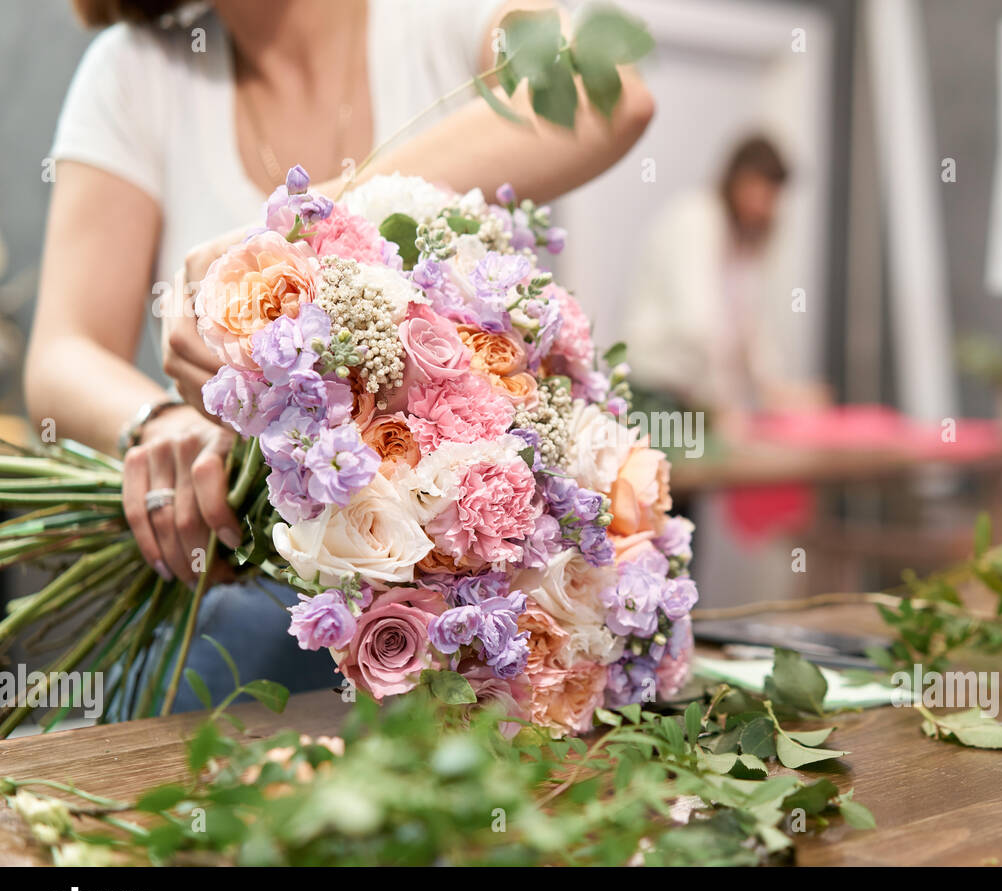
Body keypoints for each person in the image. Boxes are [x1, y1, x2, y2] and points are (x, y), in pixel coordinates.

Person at [24, 0, 654, 713]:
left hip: (481, 615)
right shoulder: (136, 71)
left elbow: (609, 94)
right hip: (249, 586)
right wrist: (162, 422)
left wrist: (306, 221)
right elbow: (62, 354)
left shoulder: (441, 17)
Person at [624, 134, 825, 439]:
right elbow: (699, 326)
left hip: (697, 399)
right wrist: (725, 405)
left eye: (772, 195)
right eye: (758, 188)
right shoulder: (696, 219)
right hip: (658, 395)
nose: (764, 204)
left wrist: (777, 389)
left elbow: (751, 327)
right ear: (736, 179)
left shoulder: (745, 240)